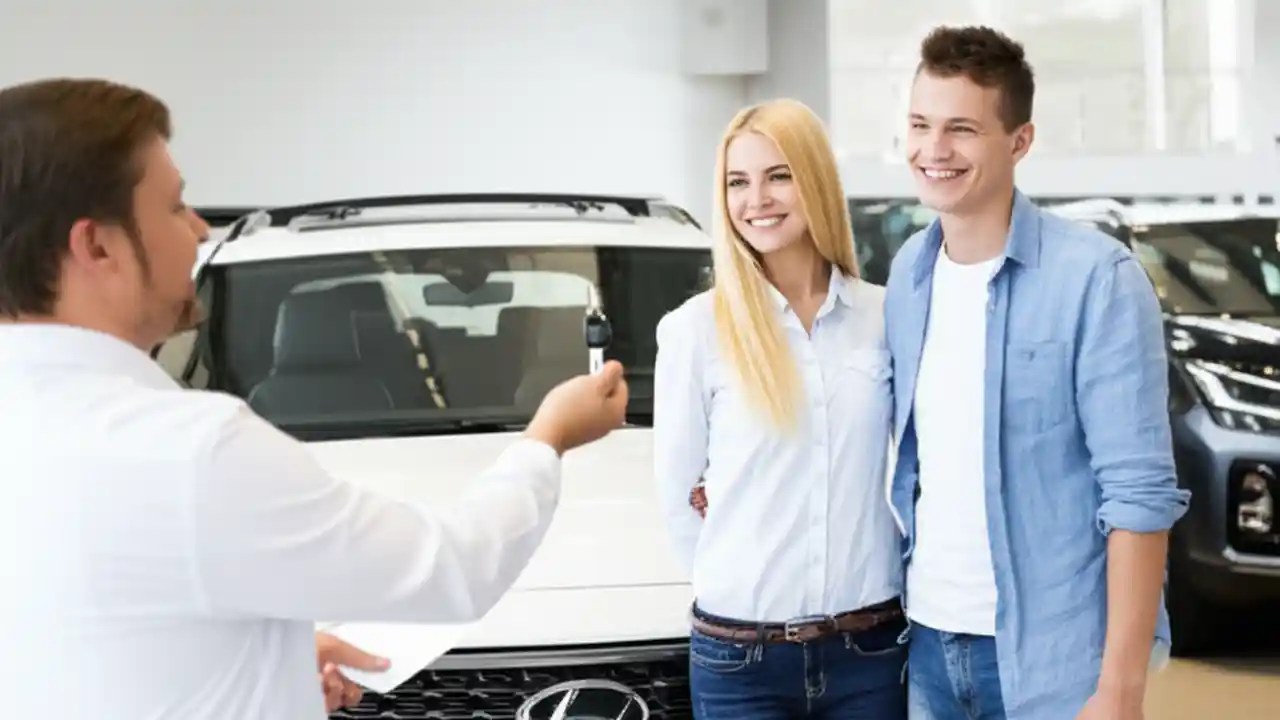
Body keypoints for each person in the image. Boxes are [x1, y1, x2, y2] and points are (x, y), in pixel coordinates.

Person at [0, 78, 628, 719]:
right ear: (97, 245)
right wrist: (547, 437)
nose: (198, 227)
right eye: (175, 205)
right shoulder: (193, 451)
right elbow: (453, 570)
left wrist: (262, 663)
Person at [882, 26, 1191, 719]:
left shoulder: (1097, 280)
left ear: (1019, 141)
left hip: (1054, 664)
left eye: (961, 129)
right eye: (920, 124)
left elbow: (1139, 497)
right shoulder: (909, 274)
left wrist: (1120, 689)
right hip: (926, 646)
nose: (934, 150)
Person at [653, 98, 906, 719]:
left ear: (815, 180)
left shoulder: (886, 316)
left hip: (872, 652)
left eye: (778, 175)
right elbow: (679, 497)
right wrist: (747, 580)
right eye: (737, 182)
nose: (756, 199)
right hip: (743, 661)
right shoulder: (696, 330)